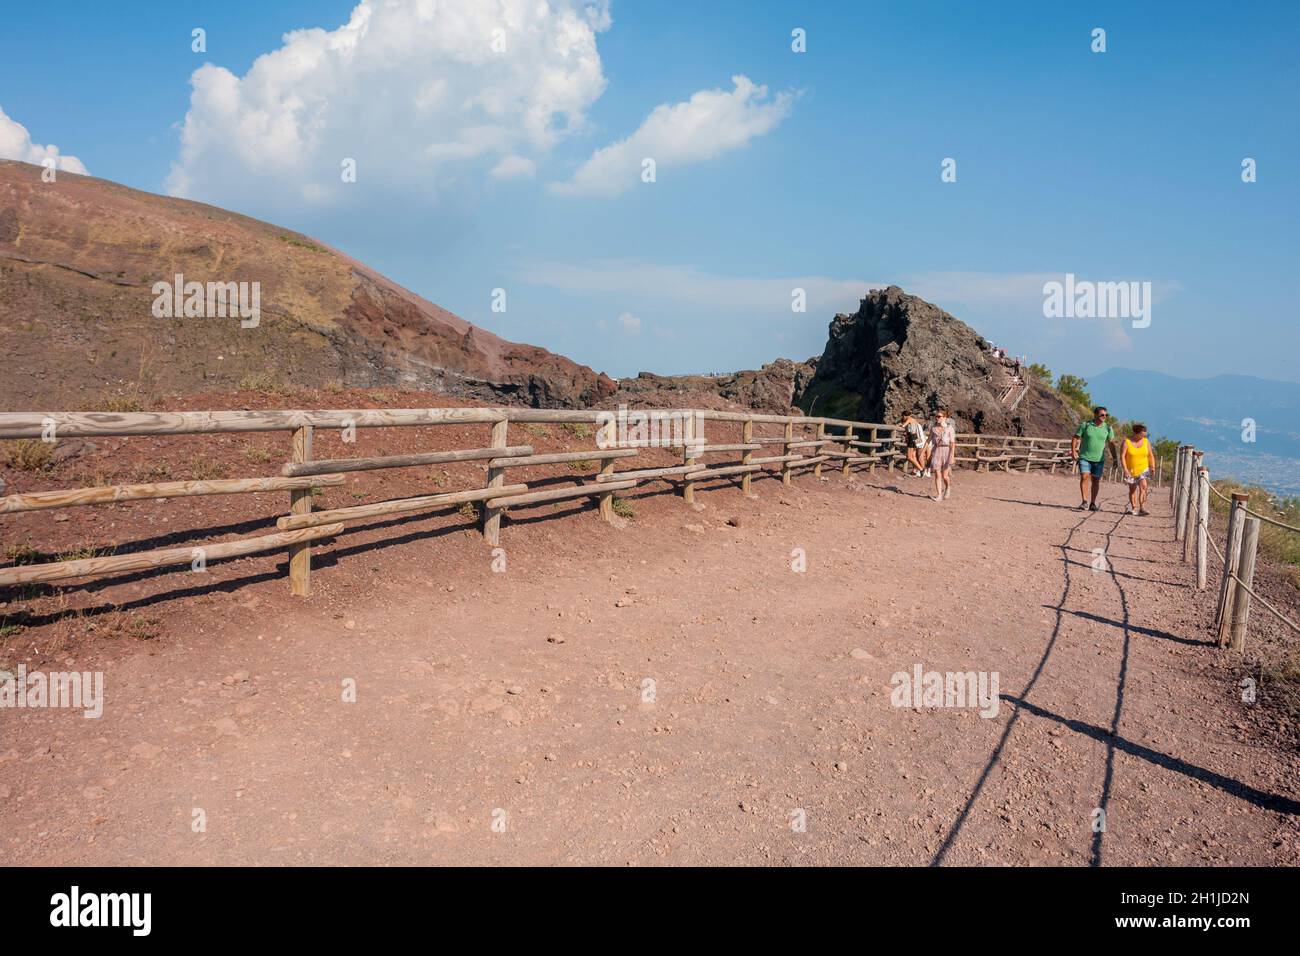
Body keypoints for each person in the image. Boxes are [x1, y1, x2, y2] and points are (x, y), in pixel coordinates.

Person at [1071, 406, 1117, 512]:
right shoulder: (1085, 425)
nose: (1104, 417)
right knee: (1084, 476)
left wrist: (1115, 459)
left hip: (1099, 459)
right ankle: (1084, 501)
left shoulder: (1108, 428)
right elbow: (1075, 437)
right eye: (1102, 415)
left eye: (1106, 415)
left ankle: (1092, 503)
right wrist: (1073, 451)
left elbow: (1111, 444)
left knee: (1096, 480)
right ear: (1095, 415)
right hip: (1084, 457)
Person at [1121, 424, 1154, 516]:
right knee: (1132, 489)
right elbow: (1122, 456)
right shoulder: (1126, 442)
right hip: (1131, 469)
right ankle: (1134, 508)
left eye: (1144, 435)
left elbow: (1150, 455)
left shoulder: (1146, 442)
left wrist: (1152, 467)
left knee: (1144, 486)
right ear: (1136, 433)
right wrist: (1125, 469)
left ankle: (1142, 508)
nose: (1143, 436)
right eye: (1142, 434)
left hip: (1143, 468)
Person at [926, 408, 956, 501]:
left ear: (945, 417)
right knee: (937, 474)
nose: (937, 418)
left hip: (946, 451)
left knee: (945, 476)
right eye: (936, 417)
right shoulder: (934, 428)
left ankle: (948, 487)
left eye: (939, 416)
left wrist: (952, 456)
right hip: (937, 451)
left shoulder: (949, 428)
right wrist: (923, 451)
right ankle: (939, 495)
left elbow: (952, 443)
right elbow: (928, 440)